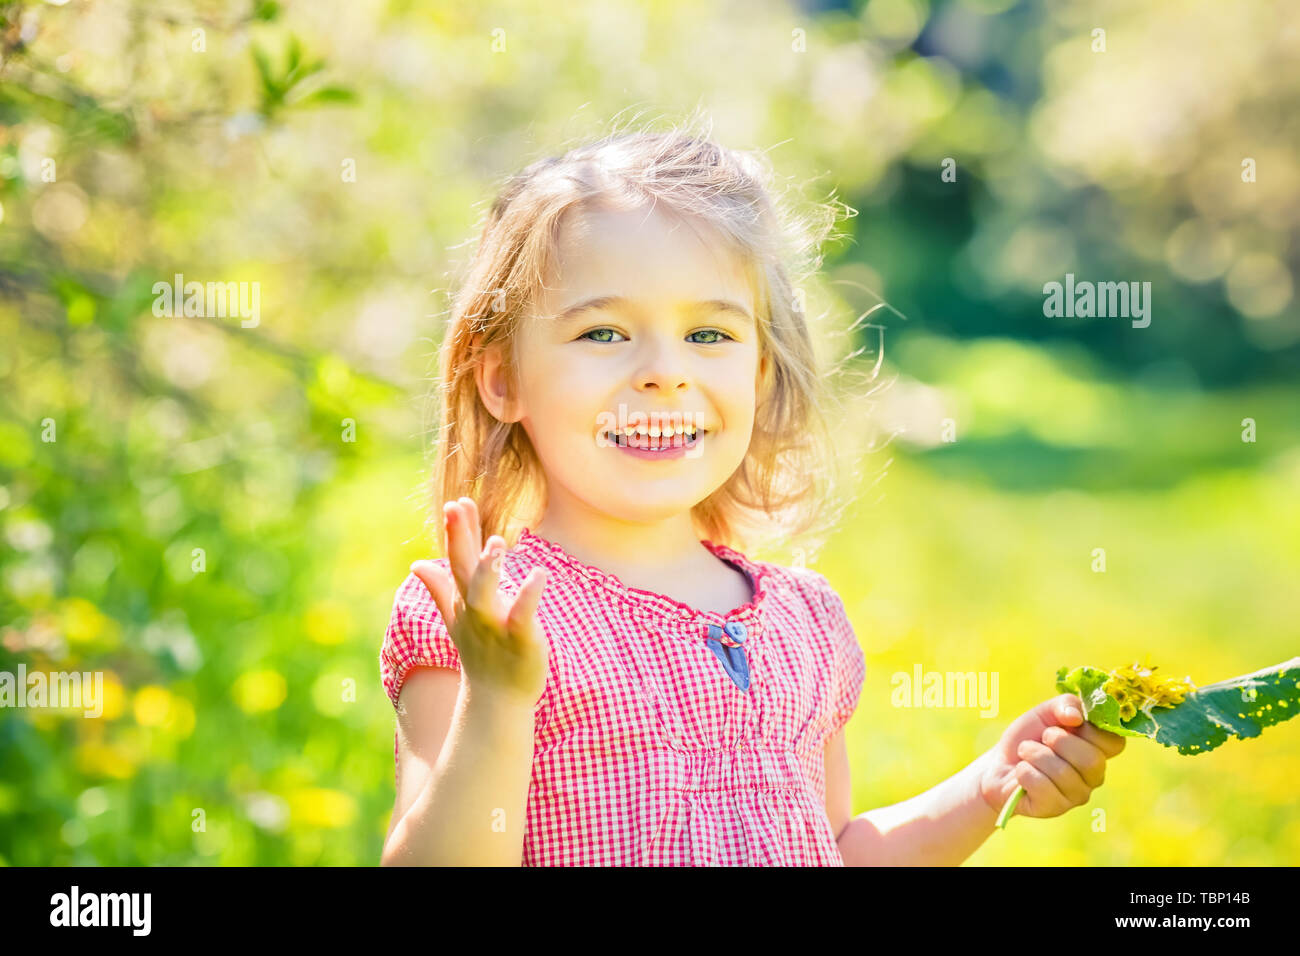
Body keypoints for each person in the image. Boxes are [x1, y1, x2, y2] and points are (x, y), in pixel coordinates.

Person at [378, 123, 1125, 866]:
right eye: (604, 333)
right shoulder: (483, 618)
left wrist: (988, 786)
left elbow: (832, 851)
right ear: (503, 379)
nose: (664, 373)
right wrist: (498, 701)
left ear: (761, 375)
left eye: (709, 335)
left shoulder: (805, 620)